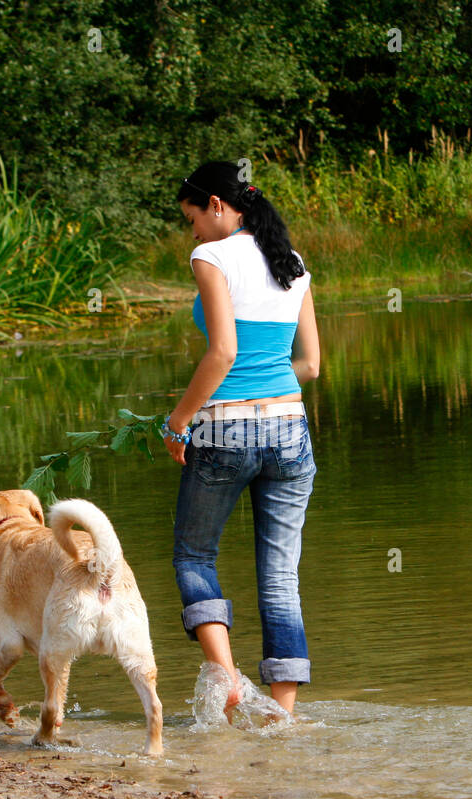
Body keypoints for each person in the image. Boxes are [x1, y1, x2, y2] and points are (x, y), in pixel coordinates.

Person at [162, 161, 320, 720]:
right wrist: (269, 396)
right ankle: (283, 715)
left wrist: (179, 420)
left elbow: (223, 352)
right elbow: (311, 365)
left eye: (193, 218)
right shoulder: (294, 263)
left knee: (193, 554)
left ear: (217, 205)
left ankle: (227, 679)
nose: (194, 232)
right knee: (280, 576)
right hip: (289, 427)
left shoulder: (211, 258)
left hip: (225, 427)